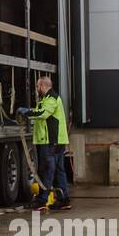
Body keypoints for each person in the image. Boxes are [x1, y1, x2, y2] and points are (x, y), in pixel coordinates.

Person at [18, 76, 70, 211]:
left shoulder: (51, 98)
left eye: (37, 86)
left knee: (46, 170)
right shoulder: (48, 99)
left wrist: (27, 112)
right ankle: (64, 200)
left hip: (50, 142)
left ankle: (41, 200)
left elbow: (42, 113)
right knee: (59, 171)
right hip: (55, 141)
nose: (36, 89)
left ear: (42, 86)